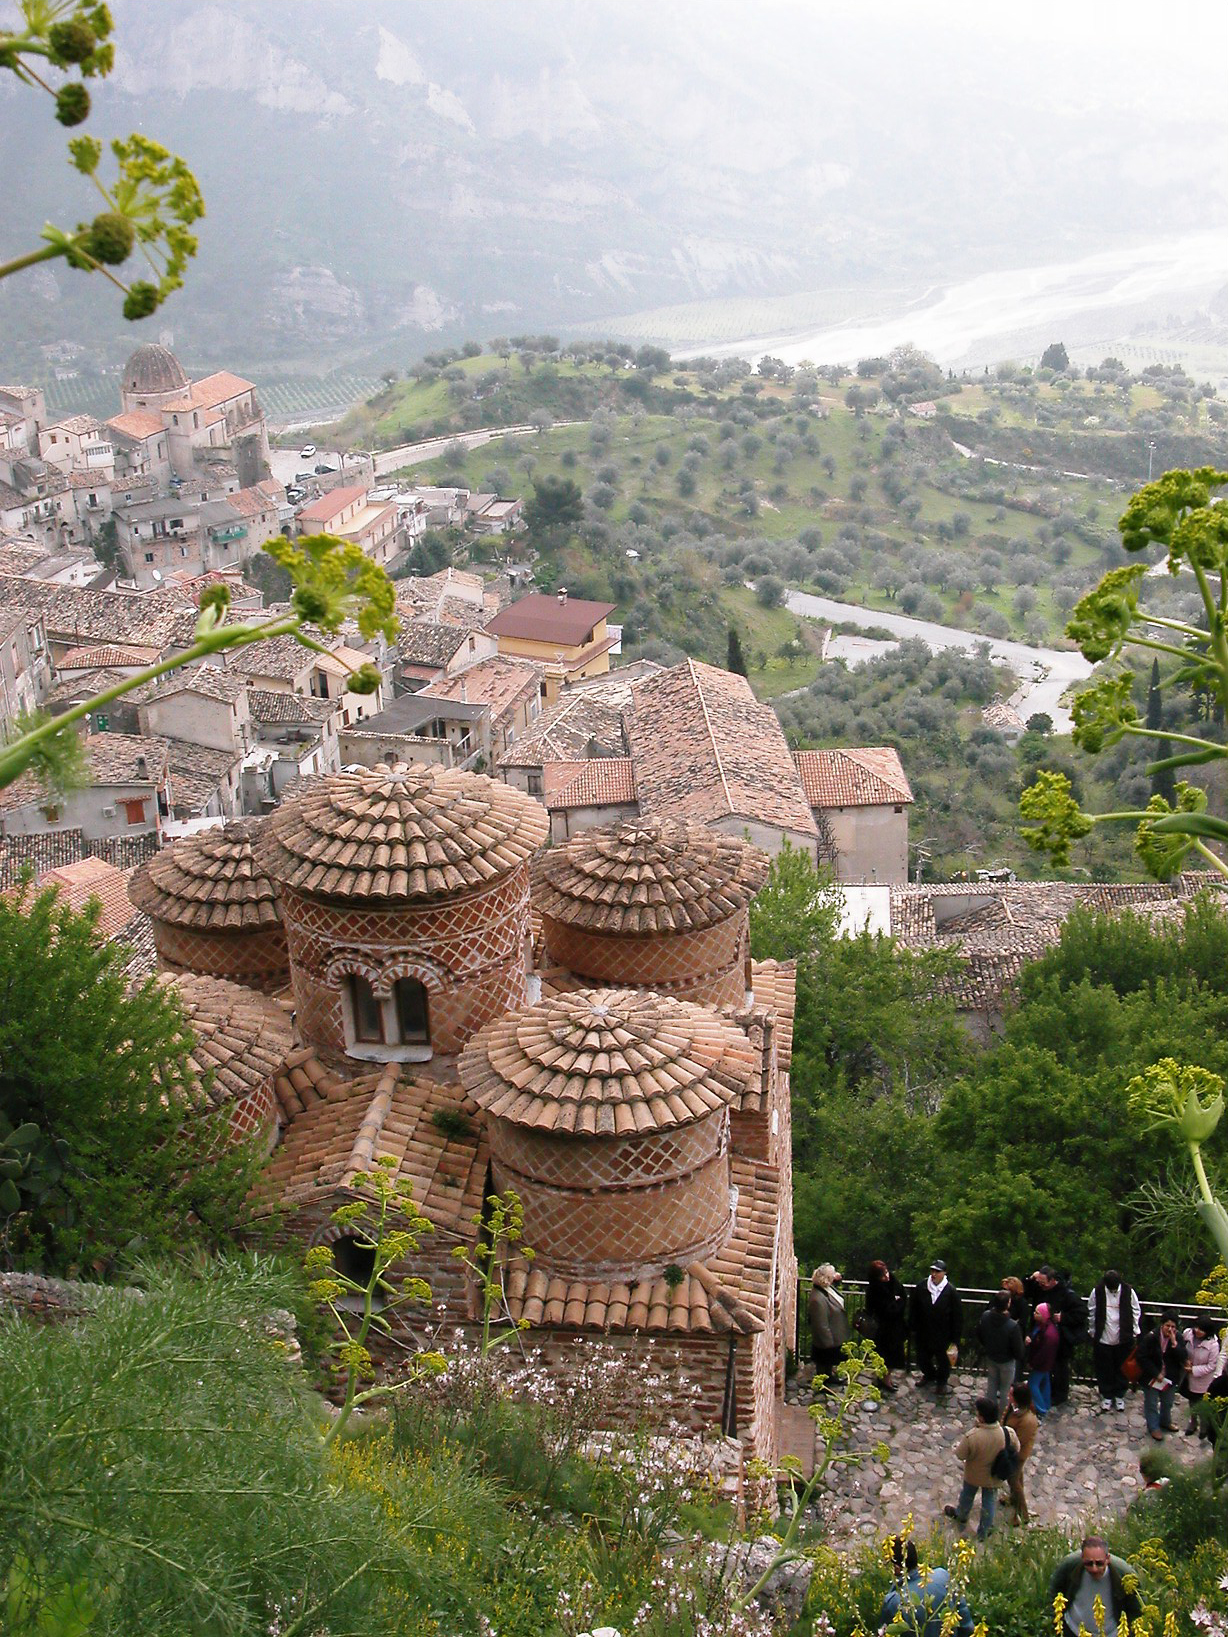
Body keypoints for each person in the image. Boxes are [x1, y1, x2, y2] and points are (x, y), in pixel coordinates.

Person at [943, 1395, 1018, 1542]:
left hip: (973, 1475)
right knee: (989, 1501)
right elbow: (1016, 1447)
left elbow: (960, 1454)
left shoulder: (973, 1436)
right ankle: (984, 1531)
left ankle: (962, 1515)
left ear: (982, 1417)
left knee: (967, 1496)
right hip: (994, 1475)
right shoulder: (1007, 1433)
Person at [878, 1536, 974, 1636]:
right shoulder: (943, 1575)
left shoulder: (893, 1602)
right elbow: (965, 1622)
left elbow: (888, 1632)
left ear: (897, 1568)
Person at [1049, 1536, 1143, 1636]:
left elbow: (1137, 1610)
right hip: (1073, 1630)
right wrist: (1054, 1621)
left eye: (1099, 1563)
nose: (1094, 1569)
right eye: (1089, 1563)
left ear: (1108, 1559)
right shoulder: (1070, 1565)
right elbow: (1054, 1591)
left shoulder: (1124, 1574)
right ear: (1082, 1558)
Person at [1090, 1270, 1141, 1413]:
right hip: (1104, 1336)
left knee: (1122, 1367)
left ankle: (1119, 1395)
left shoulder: (1128, 1291)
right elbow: (1092, 1311)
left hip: (1123, 1337)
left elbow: (1136, 1310)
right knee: (1104, 1367)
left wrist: (1135, 1330)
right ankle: (1106, 1395)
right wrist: (1093, 1332)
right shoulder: (1097, 1291)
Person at [911, 1259, 961, 1395]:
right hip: (924, 1331)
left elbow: (957, 1316)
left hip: (943, 1334)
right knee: (922, 1358)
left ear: (944, 1273)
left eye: (937, 1271)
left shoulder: (951, 1291)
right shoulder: (921, 1287)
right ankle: (929, 1375)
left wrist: (955, 1339)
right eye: (932, 1271)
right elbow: (913, 1308)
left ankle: (941, 1382)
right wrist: (912, 1326)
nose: (934, 1274)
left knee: (943, 1360)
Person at [1134, 1314, 1187, 1440]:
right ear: (1162, 1325)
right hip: (1151, 1376)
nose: (1170, 1329)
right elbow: (1142, 1357)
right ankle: (1154, 1427)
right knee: (1151, 1402)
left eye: (1173, 1327)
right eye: (1167, 1326)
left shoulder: (1178, 1338)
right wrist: (1155, 1373)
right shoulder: (1151, 1337)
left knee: (1168, 1402)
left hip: (1169, 1376)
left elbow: (1183, 1356)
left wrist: (1174, 1343)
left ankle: (1165, 1421)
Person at [976, 1289, 1025, 1417]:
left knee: (991, 1387)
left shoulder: (985, 1316)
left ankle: (989, 1413)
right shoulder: (1012, 1326)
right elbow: (1018, 1350)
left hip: (991, 1357)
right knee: (1005, 1390)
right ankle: (1002, 1416)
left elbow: (979, 1333)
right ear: (1008, 1304)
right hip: (1007, 1361)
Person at [864, 1259, 909, 1393]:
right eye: (883, 1275)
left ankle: (885, 1378)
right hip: (883, 1330)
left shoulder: (892, 1282)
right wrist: (896, 1302)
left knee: (892, 1357)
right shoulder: (874, 1290)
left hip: (895, 1327)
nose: (887, 1276)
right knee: (886, 1356)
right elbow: (887, 1310)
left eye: (887, 1272)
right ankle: (884, 1380)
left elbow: (902, 1296)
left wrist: (897, 1302)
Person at [1002, 1379, 1039, 1525]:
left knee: (1014, 1481)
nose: (1008, 1396)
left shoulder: (1028, 1420)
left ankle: (1022, 1513)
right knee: (1017, 1477)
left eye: (1011, 1394)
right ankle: (1013, 1500)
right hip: (1010, 1449)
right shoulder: (1014, 1408)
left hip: (1017, 1454)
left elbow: (1019, 1442)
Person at [807, 1263, 849, 1385]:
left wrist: (836, 1278)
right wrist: (828, 1341)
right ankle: (824, 1382)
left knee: (828, 1361)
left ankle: (829, 1376)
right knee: (824, 1359)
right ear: (827, 1279)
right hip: (827, 1337)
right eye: (832, 1275)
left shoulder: (824, 1289)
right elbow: (821, 1324)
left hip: (833, 1332)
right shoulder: (817, 1299)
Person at [1180, 1319, 1220, 1436]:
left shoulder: (1213, 1346)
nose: (1197, 1331)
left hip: (1203, 1381)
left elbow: (1211, 1366)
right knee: (1192, 1402)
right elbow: (1181, 1346)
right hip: (1188, 1377)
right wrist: (1185, 1361)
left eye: (1201, 1329)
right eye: (1196, 1327)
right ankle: (1193, 1422)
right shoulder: (1188, 1334)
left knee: (1203, 1404)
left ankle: (1204, 1426)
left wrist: (1193, 1370)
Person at [1026, 1301, 1060, 1418]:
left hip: (1041, 1363)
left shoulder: (1048, 1334)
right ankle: (1045, 1404)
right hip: (1045, 1363)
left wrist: (1032, 1363)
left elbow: (1043, 1353)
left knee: (1033, 1384)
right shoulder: (1043, 1327)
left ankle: (1041, 1409)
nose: (1034, 1314)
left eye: (1037, 1312)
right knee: (1045, 1383)